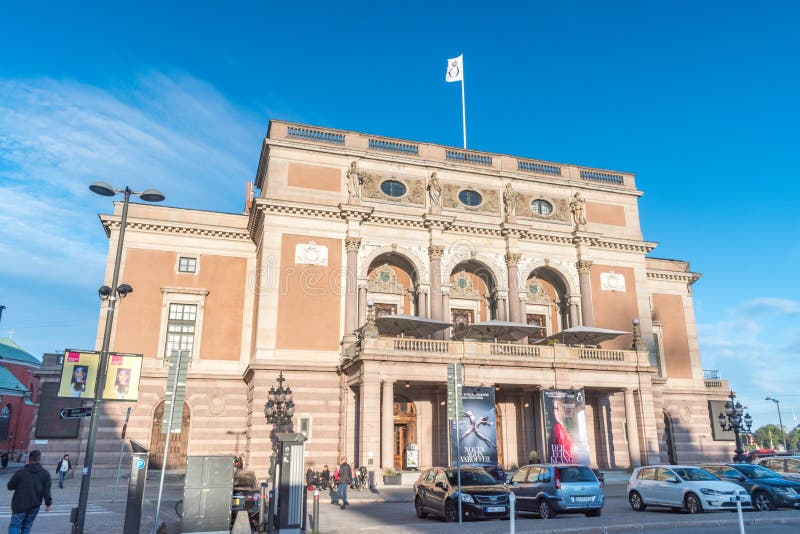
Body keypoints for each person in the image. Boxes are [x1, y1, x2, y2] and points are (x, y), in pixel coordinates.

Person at [7, 449, 52, 534]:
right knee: (27, 525)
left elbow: (10, 486)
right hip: (34, 505)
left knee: (15, 526)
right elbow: (47, 491)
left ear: (29, 460)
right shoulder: (45, 474)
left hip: (19, 504)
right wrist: (48, 504)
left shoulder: (20, 472)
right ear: (39, 459)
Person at [548, 399, 574, 463]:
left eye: (556, 409)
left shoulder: (561, 428)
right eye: (553, 409)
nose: (554, 412)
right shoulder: (557, 428)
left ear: (561, 409)